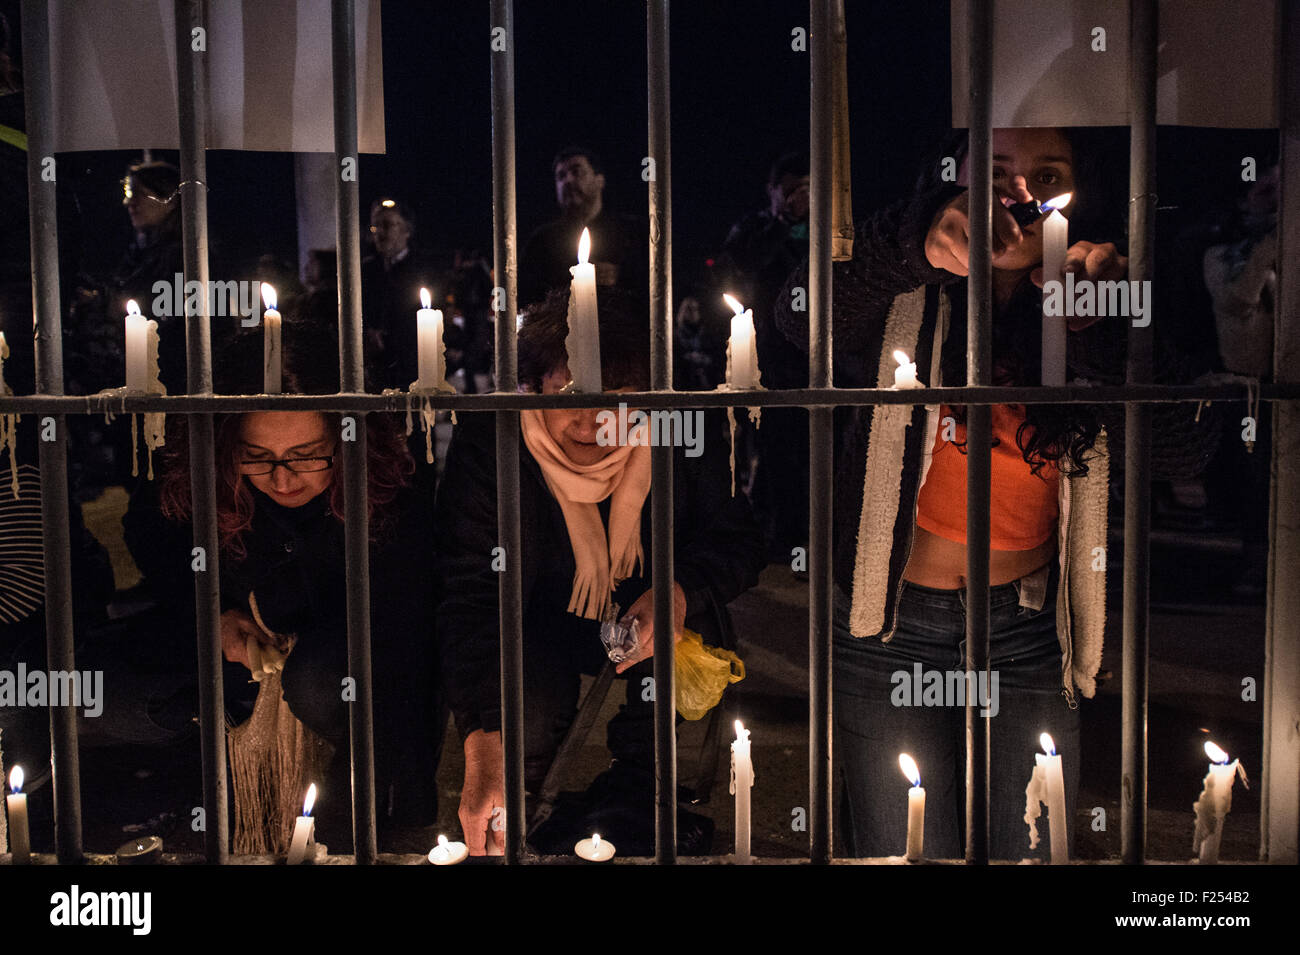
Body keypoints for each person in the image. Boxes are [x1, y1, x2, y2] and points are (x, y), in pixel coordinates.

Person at [776, 127, 1218, 860]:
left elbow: (1180, 449)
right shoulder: (906, 285)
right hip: (886, 629)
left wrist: (1102, 329)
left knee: (1030, 851)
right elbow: (797, 316)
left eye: (1048, 175)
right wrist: (915, 241)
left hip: (1029, 635)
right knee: (907, 850)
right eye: (999, 173)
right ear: (956, 179)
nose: (1021, 196)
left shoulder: (1105, 289)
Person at [436, 286, 765, 856]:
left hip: (648, 617)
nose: (592, 424)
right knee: (522, 713)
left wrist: (680, 590)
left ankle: (641, 785)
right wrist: (486, 739)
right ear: (531, 386)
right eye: (569, 396)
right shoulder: (493, 440)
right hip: (537, 625)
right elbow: (469, 590)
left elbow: (739, 535)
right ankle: (520, 796)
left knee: (679, 659)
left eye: (619, 402)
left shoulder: (681, 434)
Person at [124, 325, 443, 845]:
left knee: (322, 682)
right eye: (255, 456)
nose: (283, 479)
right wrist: (215, 613)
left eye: (307, 454)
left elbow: (401, 611)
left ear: (346, 436)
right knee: (124, 689)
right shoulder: (196, 470)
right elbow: (153, 536)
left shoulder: (393, 472)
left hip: (351, 651)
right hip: (242, 642)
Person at [713, 152, 812, 560]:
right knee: (776, 454)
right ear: (772, 192)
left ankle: (820, 535)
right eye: (789, 189)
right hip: (769, 360)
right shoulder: (756, 228)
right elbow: (738, 266)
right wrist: (783, 223)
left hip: (821, 359)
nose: (799, 197)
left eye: (806, 187)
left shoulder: (828, 230)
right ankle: (782, 540)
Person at [518, 146, 648, 307]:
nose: (568, 181)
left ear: (599, 180)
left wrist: (619, 276)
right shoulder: (541, 241)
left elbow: (656, 284)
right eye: (561, 176)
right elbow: (525, 296)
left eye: (576, 172)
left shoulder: (634, 231)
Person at [361, 197, 439, 390]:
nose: (380, 233)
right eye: (375, 226)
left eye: (387, 225)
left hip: (412, 367)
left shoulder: (424, 269)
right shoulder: (365, 270)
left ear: (407, 230)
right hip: (373, 368)